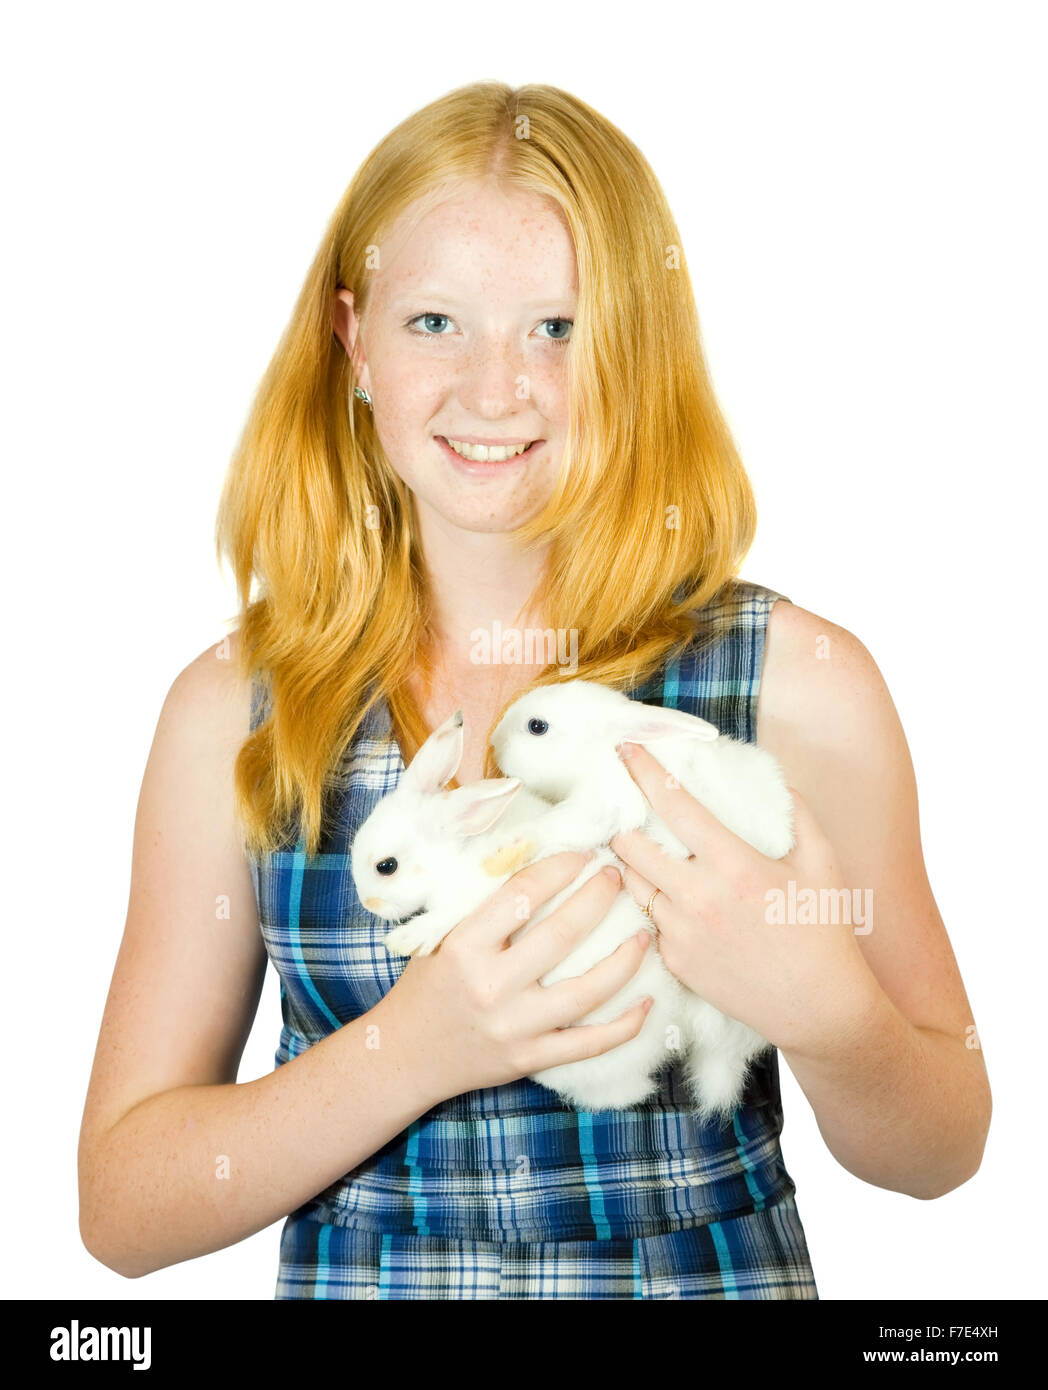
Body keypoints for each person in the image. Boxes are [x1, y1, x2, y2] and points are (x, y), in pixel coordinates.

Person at [77, 80, 992, 1300]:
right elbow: (122, 1209)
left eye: (556, 328)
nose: (496, 388)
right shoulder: (234, 712)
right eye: (435, 324)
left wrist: (830, 1012)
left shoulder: (796, 689)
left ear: (633, 349)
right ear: (352, 343)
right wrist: (415, 1049)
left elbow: (941, 1146)